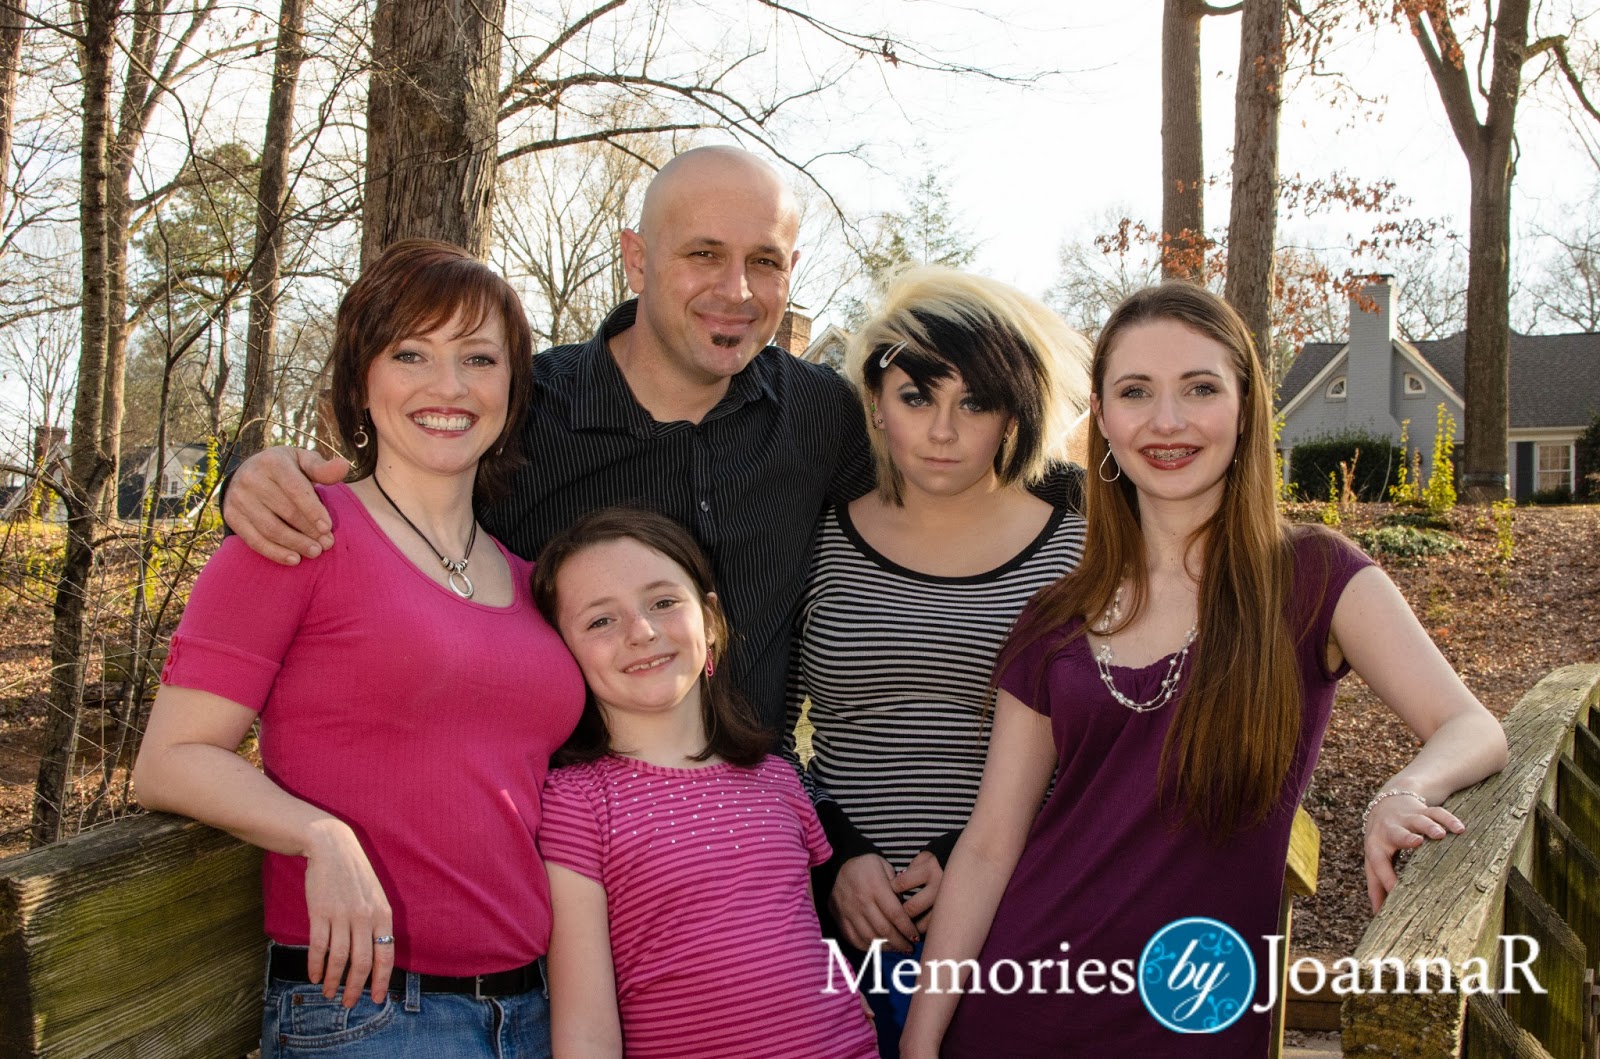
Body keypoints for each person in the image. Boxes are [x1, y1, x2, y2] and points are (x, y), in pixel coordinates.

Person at [898, 283, 1508, 1058]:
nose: (1167, 421)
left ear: (1247, 407)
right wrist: (920, 1043)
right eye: (1136, 392)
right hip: (1023, 1009)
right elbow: (989, 846)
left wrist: (1404, 791)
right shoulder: (1053, 617)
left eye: (1200, 388)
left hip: (1196, 1016)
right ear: (1106, 420)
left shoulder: (1316, 577)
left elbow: (1472, 725)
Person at [218, 146, 874, 729]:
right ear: (636, 261)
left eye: (763, 262)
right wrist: (252, 480)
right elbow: (376, 520)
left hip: (764, 826)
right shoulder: (520, 410)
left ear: (790, 270)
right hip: (553, 834)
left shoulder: (819, 412)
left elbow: (943, 496)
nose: (735, 290)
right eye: (703, 254)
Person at [133, 240, 584, 1057]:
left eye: (478, 358)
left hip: (532, 1009)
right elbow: (169, 759)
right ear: (361, 381)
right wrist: (318, 835)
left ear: (512, 388)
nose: (448, 386)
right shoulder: (300, 534)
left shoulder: (529, 579)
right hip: (370, 1011)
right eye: (410, 353)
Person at [785, 267, 1089, 1055]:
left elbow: (1098, 745)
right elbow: (766, 730)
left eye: (974, 402)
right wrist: (836, 857)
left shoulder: (1076, 549)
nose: (943, 430)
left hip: (1015, 917)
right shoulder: (815, 537)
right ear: (876, 405)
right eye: (917, 397)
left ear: (1013, 411)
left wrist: (965, 856)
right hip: (833, 926)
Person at [530, 507, 879, 1059]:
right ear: (561, 651)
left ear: (711, 621)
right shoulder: (576, 804)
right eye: (601, 620)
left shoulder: (777, 780)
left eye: (663, 602)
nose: (642, 632)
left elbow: (790, 937)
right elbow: (585, 1027)